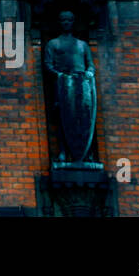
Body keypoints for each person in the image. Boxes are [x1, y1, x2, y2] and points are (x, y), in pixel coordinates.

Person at [42, 10, 96, 163]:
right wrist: (59, 75)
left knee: (86, 116)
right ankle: (63, 152)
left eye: (69, 20)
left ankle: (87, 151)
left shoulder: (82, 45)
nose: (66, 23)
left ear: (73, 22)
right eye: (63, 20)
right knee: (63, 118)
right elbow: (48, 65)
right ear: (60, 22)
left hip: (82, 84)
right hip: (64, 84)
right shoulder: (53, 44)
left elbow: (90, 65)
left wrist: (89, 73)